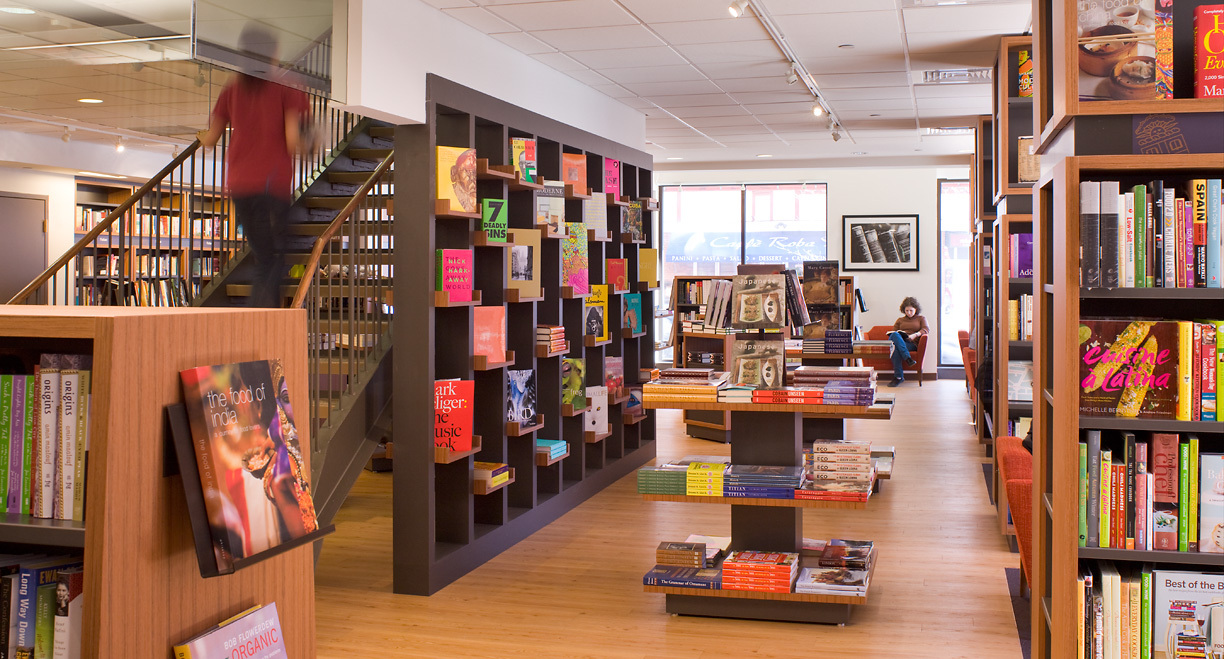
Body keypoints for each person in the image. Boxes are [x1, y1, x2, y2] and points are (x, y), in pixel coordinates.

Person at [197, 25, 309, 308]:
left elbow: (210, 139)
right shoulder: (288, 85)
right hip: (272, 184)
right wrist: (313, 144)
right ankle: (259, 323)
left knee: (265, 256)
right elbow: (293, 141)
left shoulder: (232, 88)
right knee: (274, 259)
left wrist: (199, 137)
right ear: (273, 53)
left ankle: (259, 324)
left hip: (240, 185)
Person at [887, 296, 928, 387]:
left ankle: (898, 377)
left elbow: (926, 330)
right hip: (901, 341)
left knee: (895, 348)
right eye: (906, 311)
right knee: (895, 337)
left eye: (911, 310)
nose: (909, 313)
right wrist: (900, 334)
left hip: (912, 343)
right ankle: (907, 359)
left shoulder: (921, 318)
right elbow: (893, 333)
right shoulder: (900, 320)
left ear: (916, 309)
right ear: (903, 310)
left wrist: (915, 335)